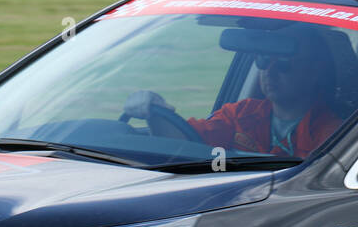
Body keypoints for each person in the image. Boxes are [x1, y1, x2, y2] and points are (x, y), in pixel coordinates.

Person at [123, 45, 339, 158]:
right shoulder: (241, 114)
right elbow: (184, 144)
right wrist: (157, 111)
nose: (269, 72)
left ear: (315, 72)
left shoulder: (331, 131)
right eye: (263, 61)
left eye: (283, 65)